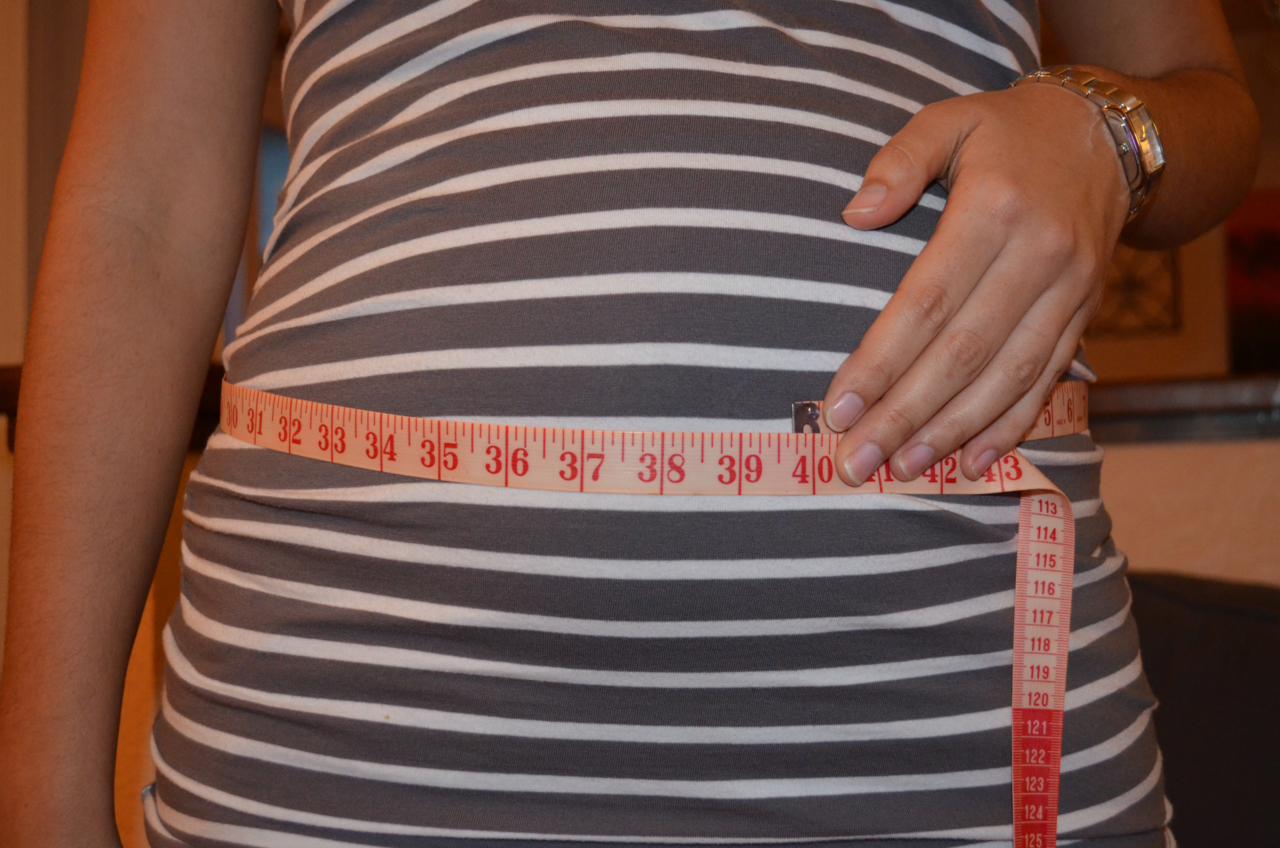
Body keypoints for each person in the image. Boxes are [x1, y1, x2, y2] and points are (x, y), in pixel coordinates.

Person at [0, 1, 1259, 847]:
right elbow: (140, 207)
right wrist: (44, 796)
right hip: (344, 698)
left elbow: (1212, 107)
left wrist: (1106, 128)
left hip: (937, 694)